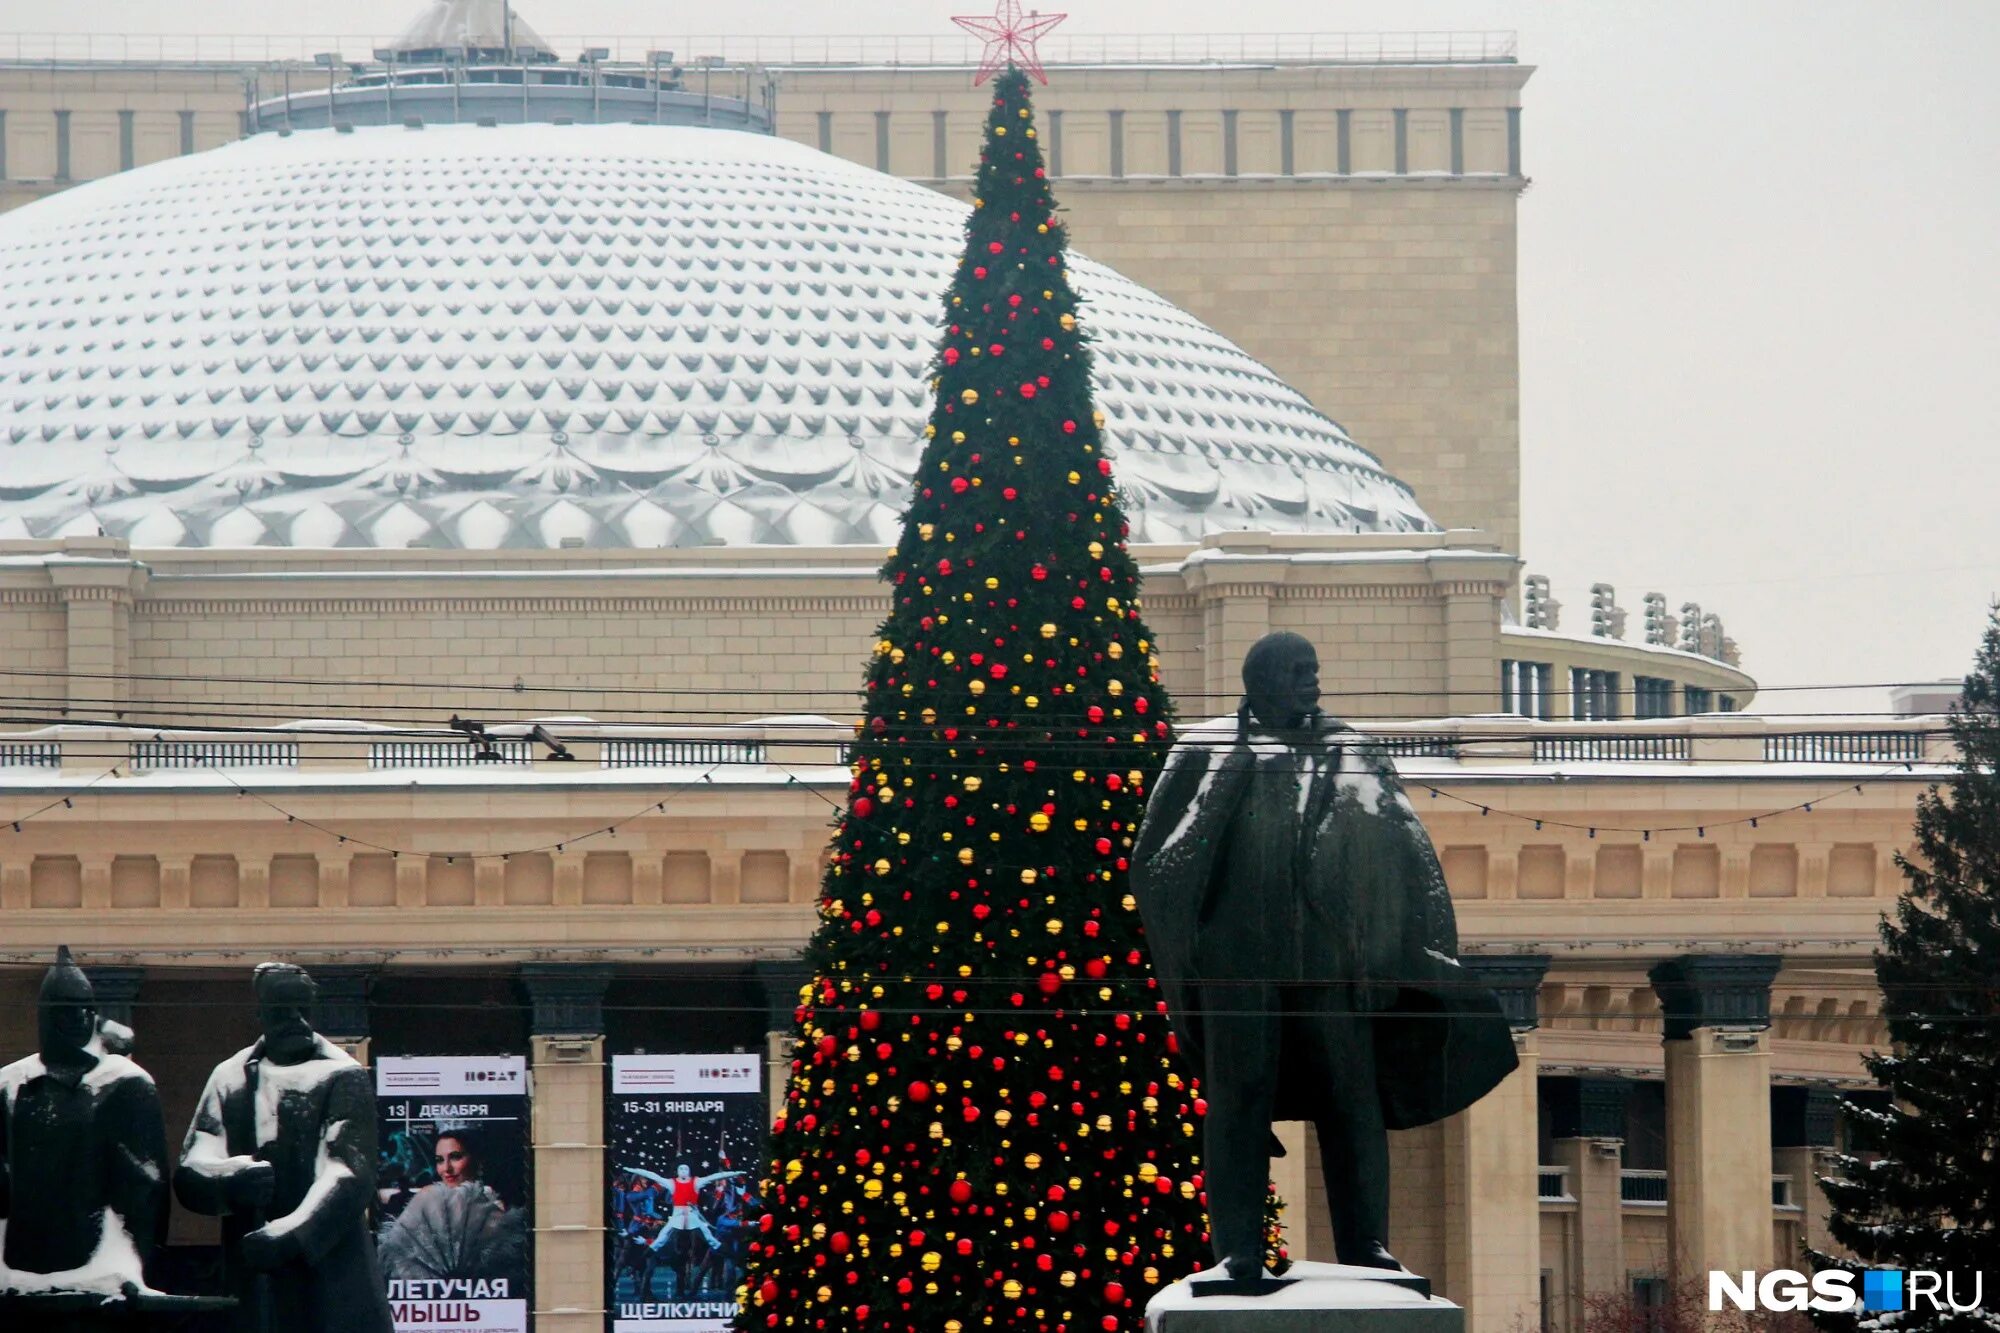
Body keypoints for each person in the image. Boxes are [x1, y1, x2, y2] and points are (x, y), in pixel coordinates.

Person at [1130, 631, 1518, 1282]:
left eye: (1315, 669)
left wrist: (1398, 951)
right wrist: (1191, 956)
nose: (1312, 681)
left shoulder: (1350, 749)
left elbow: (1401, 853)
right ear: (1259, 679)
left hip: (1331, 960)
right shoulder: (1205, 748)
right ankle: (1238, 1252)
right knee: (1240, 1101)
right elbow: (1160, 861)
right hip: (1237, 964)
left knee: (1351, 1100)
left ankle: (1367, 1246)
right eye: (1297, 671)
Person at [174, 961, 394, 1332]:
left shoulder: (342, 1074)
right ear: (260, 1013)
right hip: (254, 1280)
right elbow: (192, 1165)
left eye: (302, 1008)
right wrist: (229, 1182)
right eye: (281, 1009)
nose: (294, 1018)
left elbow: (349, 1174)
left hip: (330, 1280)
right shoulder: (229, 1078)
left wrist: (292, 1236)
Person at [0, 946, 169, 1286]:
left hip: (101, 1264)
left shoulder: (126, 1084)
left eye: (87, 1009)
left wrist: (132, 1268)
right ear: (45, 1016)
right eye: (66, 1010)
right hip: (22, 1265)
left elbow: (148, 1192)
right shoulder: (9, 1085)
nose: (79, 1018)